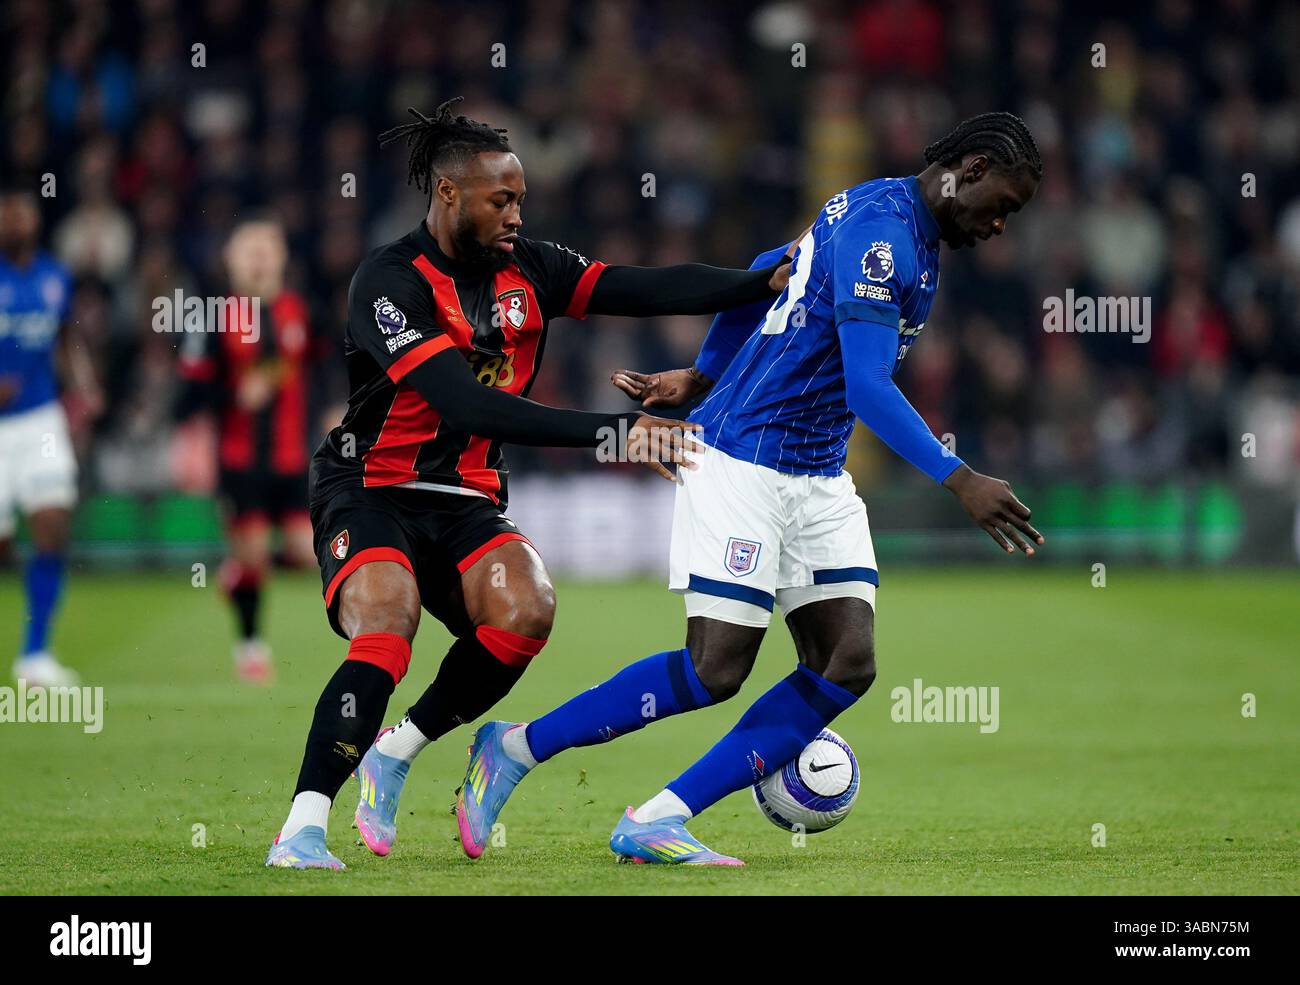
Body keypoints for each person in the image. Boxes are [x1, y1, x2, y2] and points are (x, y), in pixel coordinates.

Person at [451, 113, 1048, 865]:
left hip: (819, 471)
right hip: (747, 460)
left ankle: (656, 818)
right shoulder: (881, 236)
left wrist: (703, 370)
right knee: (715, 668)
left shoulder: (886, 216)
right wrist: (959, 478)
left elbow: (772, 268)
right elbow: (866, 385)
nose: (999, 225)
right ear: (970, 166)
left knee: (847, 662)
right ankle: (513, 746)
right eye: (1002, 203)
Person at [266, 99, 794, 869]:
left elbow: (647, 287)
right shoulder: (387, 282)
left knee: (528, 609)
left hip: (467, 498)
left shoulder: (534, 269)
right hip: (370, 486)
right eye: (500, 199)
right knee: (388, 622)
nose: (516, 213)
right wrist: (615, 431)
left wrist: (764, 281)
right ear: (449, 195)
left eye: (521, 198)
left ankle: (398, 749)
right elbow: (465, 400)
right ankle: (302, 827)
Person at [178, 219, 320, 684]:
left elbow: (324, 371)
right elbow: (190, 394)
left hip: (292, 458)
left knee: (305, 553)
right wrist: (234, 394)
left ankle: (235, 573)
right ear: (231, 260)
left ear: (282, 257)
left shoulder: (301, 311)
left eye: (267, 246)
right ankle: (251, 648)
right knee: (256, 554)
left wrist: (335, 409)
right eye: (249, 248)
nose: (259, 256)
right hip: (240, 461)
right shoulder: (213, 318)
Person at [0, 184, 102, 687]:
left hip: (40, 417)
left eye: (23, 213)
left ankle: (35, 653)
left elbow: (66, 337)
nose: (16, 221)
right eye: (8, 214)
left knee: (53, 523)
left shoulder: (52, 276)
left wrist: (84, 383)